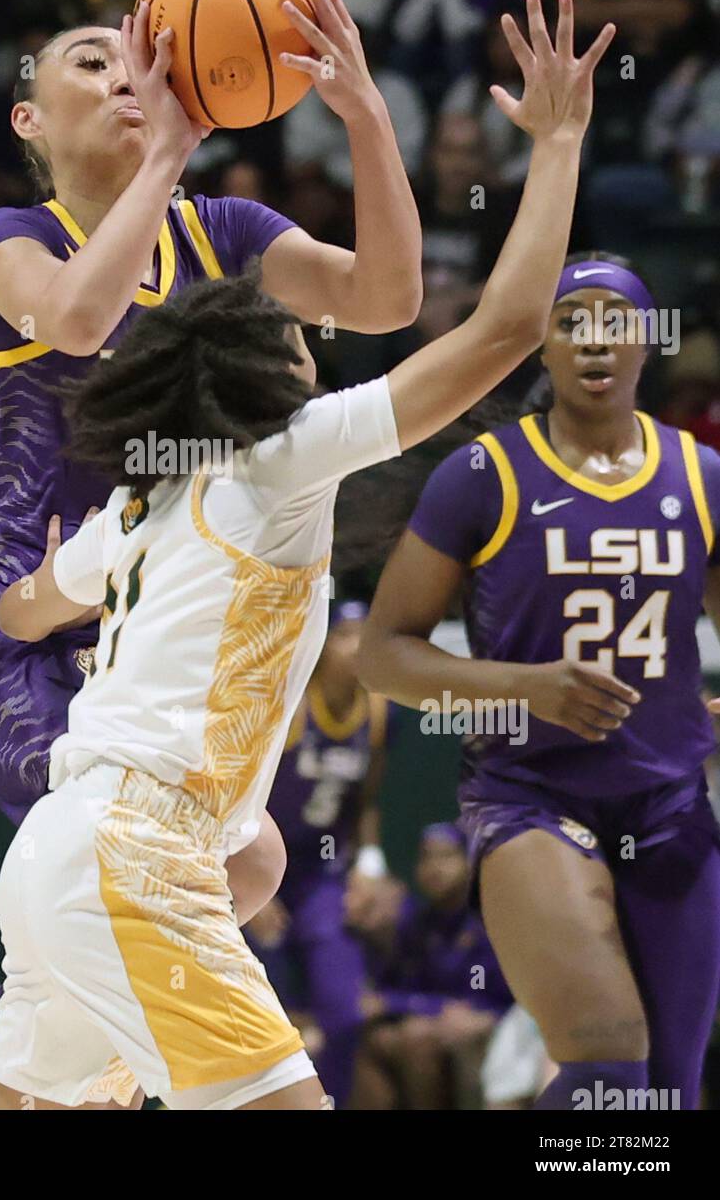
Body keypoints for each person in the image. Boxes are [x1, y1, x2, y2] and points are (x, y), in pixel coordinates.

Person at [0, 0, 615, 1109]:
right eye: (299, 336)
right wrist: (557, 147)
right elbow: (508, 329)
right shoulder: (280, 458)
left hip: (64, 861)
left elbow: (23, 609)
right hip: (141, 859)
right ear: (266, 368)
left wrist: (51, 588)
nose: (319, 346)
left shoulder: (145, 499)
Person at [0, 0, 425, 1105]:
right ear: (29, 118)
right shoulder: (6, 238)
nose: (123, 77)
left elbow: (390, 298)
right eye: (91, 62)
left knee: (248, 860)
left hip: (147, 609)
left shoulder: (226, 232)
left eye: (133, 58)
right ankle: (26, 1031)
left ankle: (29, 1051)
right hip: (22, 630)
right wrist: (168, 150)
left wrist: (361, 111)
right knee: (216, 855)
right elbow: (78, 317)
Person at [358, 256, 720, 1109]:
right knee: (605, 1067)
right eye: (571, 320)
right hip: (531, 798)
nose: (593, 338)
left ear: (646, 342)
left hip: (669, 804)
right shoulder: (483, 477)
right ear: (541, 346)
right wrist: (524, 687)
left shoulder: (700, 476)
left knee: (667, 1092)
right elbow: (383, 654)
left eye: (614, 319)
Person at [244, 599, 389, 1109]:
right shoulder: (290, 705)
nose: (360, 646)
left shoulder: (375, 710)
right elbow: (234, 797)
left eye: (368, 634)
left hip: (320, 873)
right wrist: (249, 888)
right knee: (266, 1021)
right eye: (347, 635)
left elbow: (365, 801)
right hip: (257, 867)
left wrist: (370, 866)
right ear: (321, 646)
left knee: (345, 1015)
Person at [359, 823, 513, 1110]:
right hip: (436, 1022)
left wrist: (486, 1016)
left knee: (418, 1037)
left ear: (469, 862)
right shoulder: (420, 924)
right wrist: (418, 1006)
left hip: (499, 1020)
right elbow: (397, 990)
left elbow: (512, 998)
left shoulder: (494, 918)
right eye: (426, 857)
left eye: (446, 857)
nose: (434, 868)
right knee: (377, 1038)